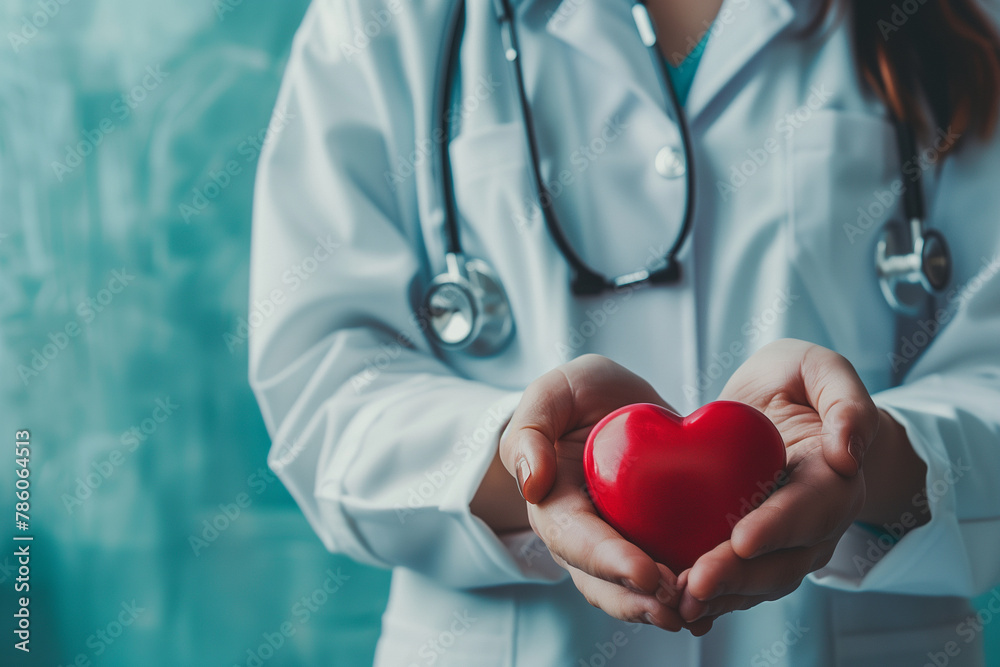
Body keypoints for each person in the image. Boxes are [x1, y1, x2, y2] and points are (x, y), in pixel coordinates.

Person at [249, 0, 1000, 664]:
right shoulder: (391, 18)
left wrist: (867, 455)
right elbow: (323, 389)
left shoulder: (963, 19)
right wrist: (527, 462)